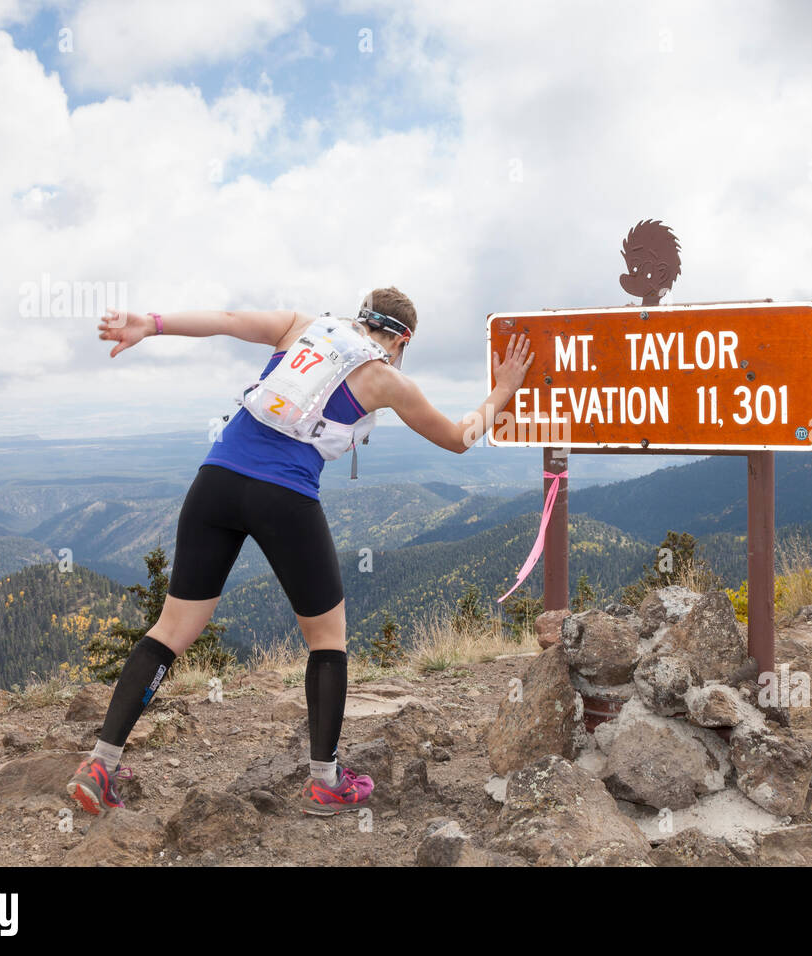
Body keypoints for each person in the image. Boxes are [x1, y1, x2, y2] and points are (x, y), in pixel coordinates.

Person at [67, 287, 532, 816]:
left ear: (360, 316)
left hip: (214, 481)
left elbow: (225, 319)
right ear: (402, 340)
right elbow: (457, 436)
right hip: (282, 495)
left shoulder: (301, 326)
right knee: (327, 639)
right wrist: (504, 391)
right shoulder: (385, 377)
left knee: (170, 631)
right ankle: (325, 782)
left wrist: (151, 323)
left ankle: (101, 764)